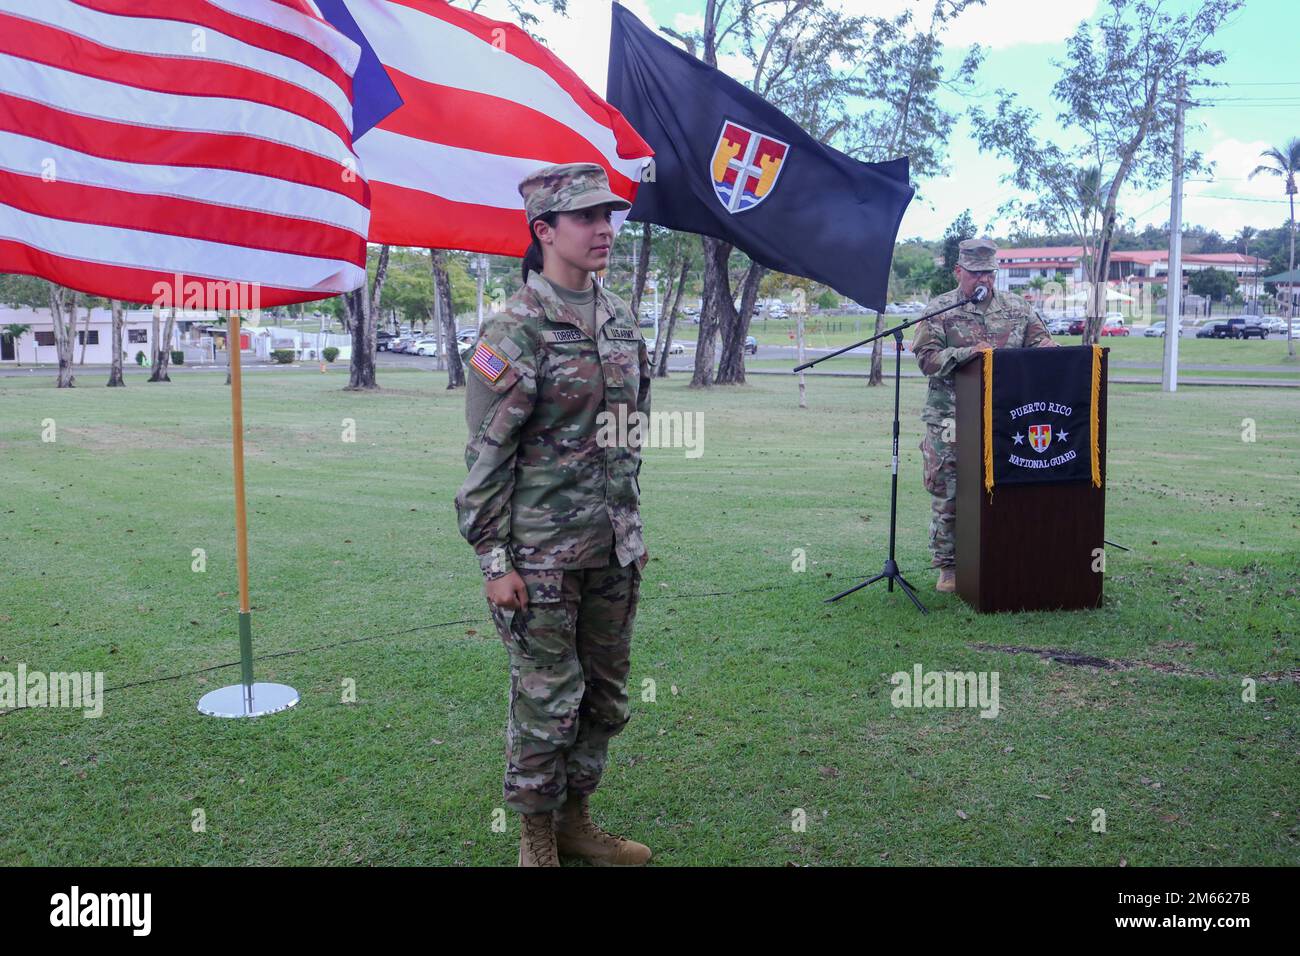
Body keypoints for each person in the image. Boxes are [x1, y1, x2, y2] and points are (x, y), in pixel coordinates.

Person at [454, 162, 653, 867]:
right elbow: (485, 458)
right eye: (587, 218)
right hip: (537, 557)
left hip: (611, 550)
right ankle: (536, 842)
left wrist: (630, 527)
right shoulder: (513, 330)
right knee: (547, 699)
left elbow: (630, 433)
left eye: (610, 217)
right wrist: (492, 561)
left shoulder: (621, 318)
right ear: (544, 230)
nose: (605, 230)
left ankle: (577, 822)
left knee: (603, 694)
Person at [911, 237, 1057, 593]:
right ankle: (948, 566)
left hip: (1006, 417)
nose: (983, 281)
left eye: (989, 274)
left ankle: (1004, 554)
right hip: (950, 417)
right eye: (975, 274)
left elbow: (1043, 346)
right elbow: (926, 359)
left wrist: (1059, 354)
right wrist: (966, 353)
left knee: (1006, 486)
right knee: (950, 490)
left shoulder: (1017, 307)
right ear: (959, 271)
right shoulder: (940, 309)